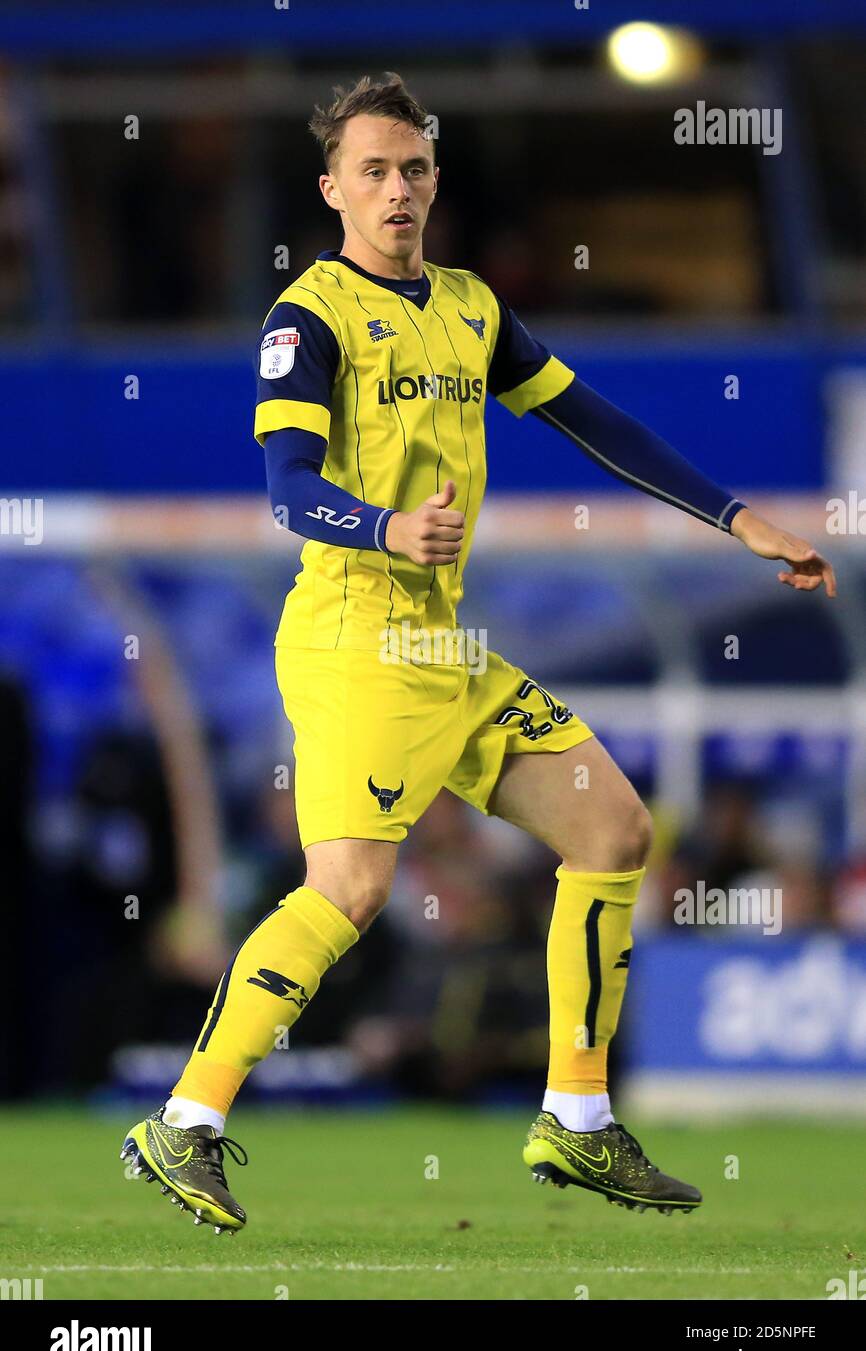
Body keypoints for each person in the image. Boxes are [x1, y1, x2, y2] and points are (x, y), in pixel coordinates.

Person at [121, 72, 836, 1232]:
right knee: (347, 889)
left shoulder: (467, 308)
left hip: (442, 648)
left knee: (612, 830)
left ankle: (577, 1117)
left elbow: (589, 417)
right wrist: (388, 526)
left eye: (411, 169)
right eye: (371, 171)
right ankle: (183, 1123)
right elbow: (286, 488)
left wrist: (734, 516)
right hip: (355, 638)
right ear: (331, 190)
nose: (394, 189)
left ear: (434, 180)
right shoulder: (306, 317)